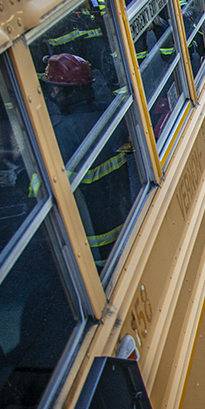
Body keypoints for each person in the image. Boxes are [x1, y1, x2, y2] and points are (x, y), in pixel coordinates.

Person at [39, 54, 131, 269]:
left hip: (91, 235)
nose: (51, 94)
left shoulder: (62, 135)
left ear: (67, 92)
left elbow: (50, 187)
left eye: (54, 89)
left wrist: (19, 177)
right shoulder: (110, 113)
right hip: (124, 215)